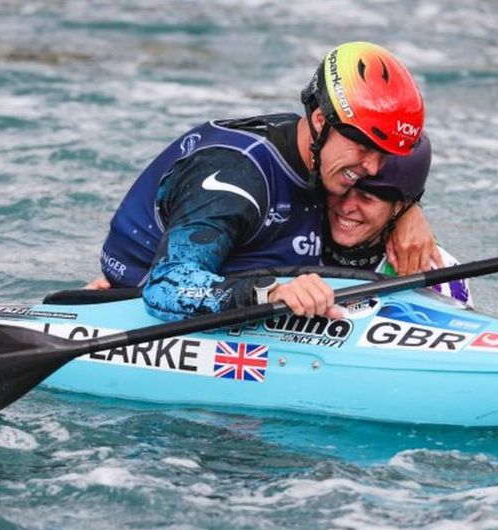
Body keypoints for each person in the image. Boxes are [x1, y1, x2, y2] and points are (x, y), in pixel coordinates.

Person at [92, 41, 441, 321]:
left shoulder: (324, 160)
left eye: (384, 154)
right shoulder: (234, 176)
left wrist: (406, 211)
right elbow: (166, 287)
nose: (373, 167)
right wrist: (269, 293)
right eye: (365, 147)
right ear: (321, 121)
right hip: (140, 312)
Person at [322, 134, 474, 307]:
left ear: (400, 205)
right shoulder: (295, 221)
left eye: (366, 198)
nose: (346, 207)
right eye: (341, 190)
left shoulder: (435, 272)